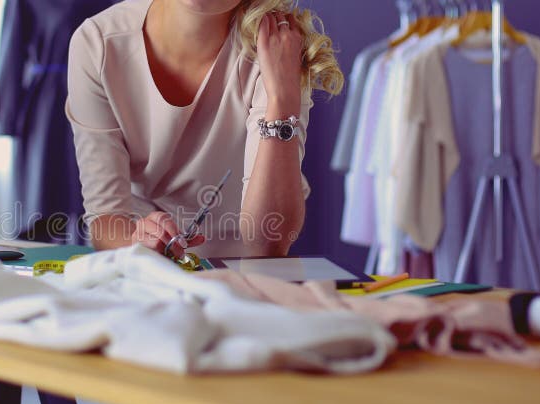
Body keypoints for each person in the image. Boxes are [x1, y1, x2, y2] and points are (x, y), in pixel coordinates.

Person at [66, 0, 343, 260]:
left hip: (247, 272)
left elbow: (268, 243)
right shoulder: (99, 43)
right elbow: (105, 221)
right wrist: (137, 242)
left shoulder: (278, 47)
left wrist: (281, 99)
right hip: (147, 270)